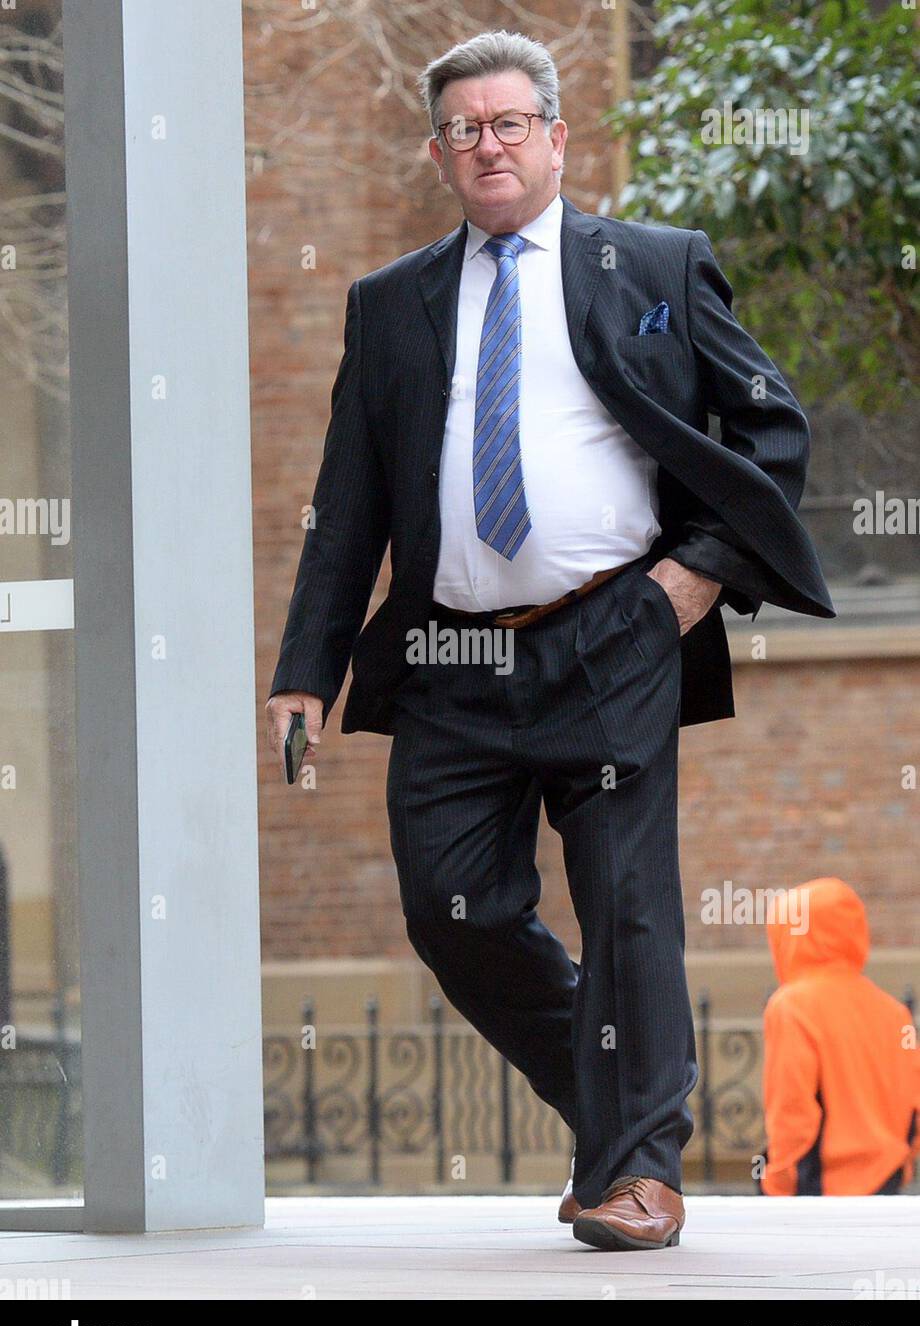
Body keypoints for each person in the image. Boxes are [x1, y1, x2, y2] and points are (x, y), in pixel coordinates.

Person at [266, 30, 835, 1250]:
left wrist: (694, 579)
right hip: (450, 662)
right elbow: (347, 501)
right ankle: (613, 1104)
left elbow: (769, 429)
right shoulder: (389, 304)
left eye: (510, 122)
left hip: (613, 637)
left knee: (628, 903)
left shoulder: (655, 266)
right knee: (448, 907)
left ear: (557, 135)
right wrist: (305, 670)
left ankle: (634, 1173)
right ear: (437, 153)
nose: (489, 144)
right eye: (464, 128)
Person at [760, 877, 920, 1197]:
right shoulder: (894, 1011)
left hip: (817, 1190)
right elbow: (912, 1107)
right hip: (885, 1185)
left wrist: (777, 1186)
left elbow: (792, 1113)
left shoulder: (792, 1005)